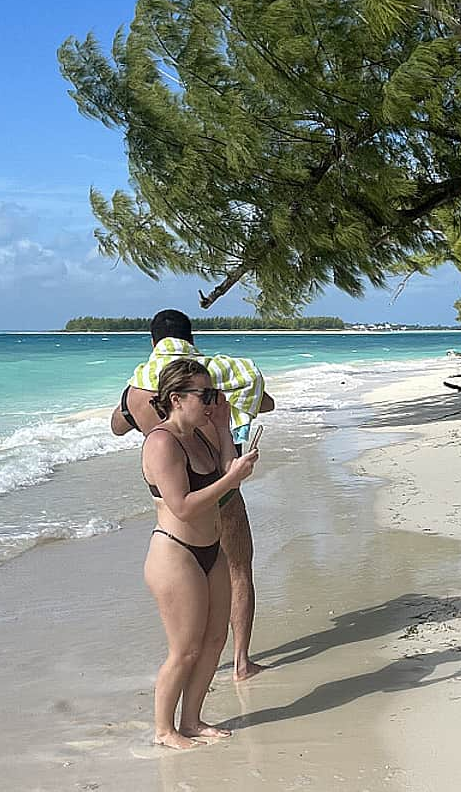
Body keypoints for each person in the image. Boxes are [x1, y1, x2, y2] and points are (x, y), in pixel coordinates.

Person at [112, 309, 272, 681]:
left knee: (185, 575)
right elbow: (265, 403)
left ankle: (193, 659)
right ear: (191, 340)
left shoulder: (137, 389)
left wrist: (135, 406)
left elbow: (117, 427)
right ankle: (241, 662)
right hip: (217, 478)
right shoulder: (212, 380)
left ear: (152, 343)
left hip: (167, 490)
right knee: (237, 568)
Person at [141, 358, 259, 749]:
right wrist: (232, 477)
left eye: (214, 394)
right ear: (176, 398)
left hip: (212, 549)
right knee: (184, 649)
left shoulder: (199, 434)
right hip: (176, 554)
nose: (211, 400)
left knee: (213, 642)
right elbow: (184, 506)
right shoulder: (162, 442)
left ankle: (190, 720)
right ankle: (164, 729)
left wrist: (224, 427)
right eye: (204, 394)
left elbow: (226, 481)